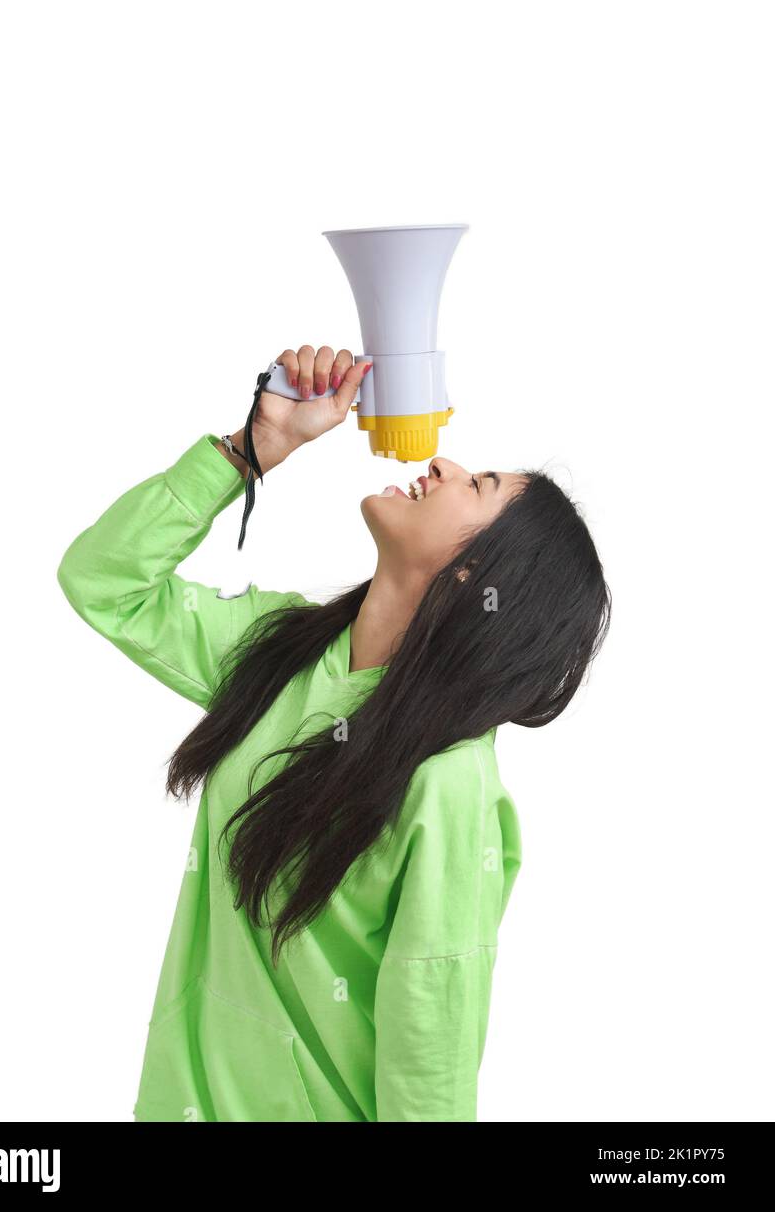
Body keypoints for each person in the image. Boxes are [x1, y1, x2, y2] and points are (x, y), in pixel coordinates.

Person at [57, 343, 611, 1122]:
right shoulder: (278, 652)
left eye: (478, 484)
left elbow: (431, 1060)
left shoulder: (449, 783)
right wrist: (252, 450)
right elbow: (103, 582)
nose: (445, 465)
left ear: (479, 577)